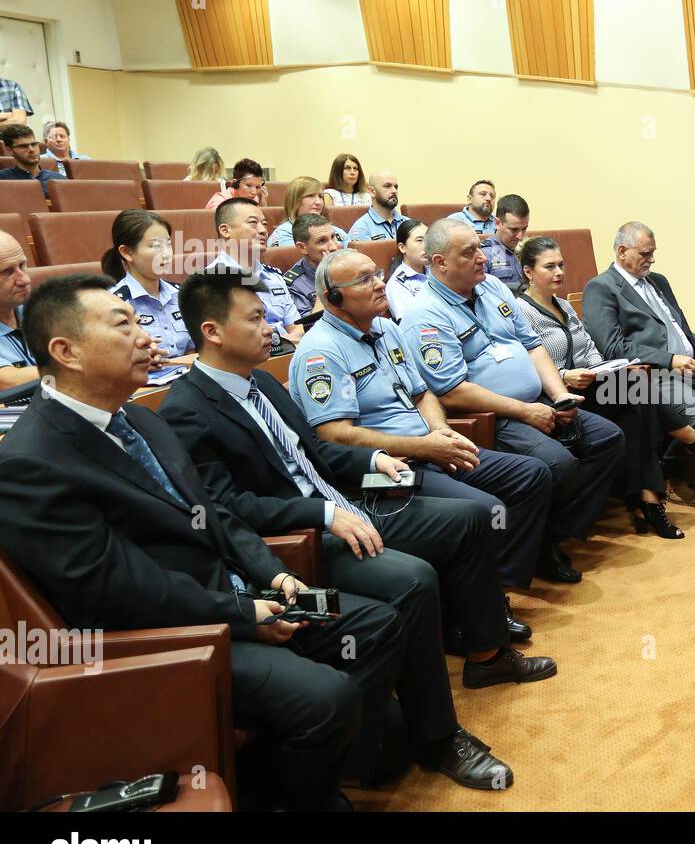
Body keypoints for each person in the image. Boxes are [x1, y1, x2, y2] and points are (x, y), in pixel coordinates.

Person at [0, 274, 409, 811]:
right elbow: (115, 589)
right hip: (185, 631)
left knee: (374, 625)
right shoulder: (31, 461)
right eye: (123, 326)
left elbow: (213, 513)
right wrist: (245, 613)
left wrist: (274, 574)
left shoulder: (140, 419)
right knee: (326, 698)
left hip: (247, 595)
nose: (148, 338)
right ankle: (300, 796)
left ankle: (291, 776)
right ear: (66, 351)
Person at [162, 269, 553, 711]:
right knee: (414, 578)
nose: (270, 326)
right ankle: (438, 732)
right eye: (254, 319)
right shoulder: (186, 410)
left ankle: (487, 655)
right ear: (212, 332)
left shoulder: (263, 382)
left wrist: (373, 461)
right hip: (304, 537)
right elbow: (228, 507)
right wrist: (324, 515)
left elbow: (318, 453)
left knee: (470, 517)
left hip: (350, 492)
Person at [289, 248, 565, 601]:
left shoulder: (386, 327)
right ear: (333, 297)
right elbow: (334, 435)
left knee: (531, 475)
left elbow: (422, 394)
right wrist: (425, 447)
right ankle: (483, 603)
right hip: (388, 469)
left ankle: (497, 584)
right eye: (365, 279)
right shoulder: (322, 351)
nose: (379, 284)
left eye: (377, 274)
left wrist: (439, 431)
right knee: (483, 509)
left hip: (432, 446)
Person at [399, 220, 626, 569]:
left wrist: (559, 394)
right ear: (440, 262)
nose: (482, 258)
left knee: (608, 438)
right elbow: (452, 391)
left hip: (538, 399)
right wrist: (524, 411)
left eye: (480, 247)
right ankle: (541, 546)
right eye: (469, 252)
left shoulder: (492, 288)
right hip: (494, 416)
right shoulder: (424, 314)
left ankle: (554, 531)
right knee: (557, 463)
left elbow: (533, 346)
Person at [514, 236, 695, 539]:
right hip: (558, 395)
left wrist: (603, 368)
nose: (559, 272)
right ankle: (682, 449)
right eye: (549, 266)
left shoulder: (563, 306)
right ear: (528, 272)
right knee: (638, 394)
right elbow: (529, 359)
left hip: (592, 385)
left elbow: (590, 348)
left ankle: (646, 502)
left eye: (561, 265)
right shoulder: (521, 311)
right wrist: (565, 374)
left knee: (636, 395)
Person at [584, 221, 695, 434]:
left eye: (653, 252)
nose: (652, 259)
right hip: (657, 377)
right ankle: (684, 463)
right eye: (645, 254)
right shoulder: (601, 288)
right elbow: (613, 349)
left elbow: (679, 329)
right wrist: (670, 360)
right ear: (622, 251)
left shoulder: (658, 281)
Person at [101, 209, 195, 361]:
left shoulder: (183, 294)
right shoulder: (112, 303)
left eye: (169, 244)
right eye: (156, 246)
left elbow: (195, 349)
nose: (166, 253)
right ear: (127, 253)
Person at [208, 197, 304, 345]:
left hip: (286, 354)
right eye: (253, 223)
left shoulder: (274, 277)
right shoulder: (210, 282)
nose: (263, 230)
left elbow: (296, 327)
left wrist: (279, 346)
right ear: (225, 230)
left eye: (264, 224)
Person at [0, 229, 38, 389]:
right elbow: (6, 380)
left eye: (22, 265)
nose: (24, 280)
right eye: (6, 272)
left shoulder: (39, 311)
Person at [283, 212, 340, 315]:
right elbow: (309, 326)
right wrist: (324, 279)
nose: (333, 247)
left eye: (333, 237)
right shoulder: (293, 285)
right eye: (322, 241)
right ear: (302, 248)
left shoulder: (349, 266)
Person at [267, 176, 348, 248]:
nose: (318, 202)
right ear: (295, 200)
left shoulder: (336, 231)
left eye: (320, 196)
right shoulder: (283, 233)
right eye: (311, 196)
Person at [0, 124, 67, 197]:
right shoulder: (2, 179)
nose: (32, 150)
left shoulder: (59, 179)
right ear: (9, 150)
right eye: (23, 146)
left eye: (34, 144)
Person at [480, 193, 529, 292]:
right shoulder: (483, 254)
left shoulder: (530, 250)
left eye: (524, 229)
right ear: (497, 223)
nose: (520, 236)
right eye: (514, 230)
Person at [386, 219, 430, 322]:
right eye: (419, 240)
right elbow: (410, 324)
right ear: (402, 247)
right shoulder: (397, 284)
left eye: (428, 240)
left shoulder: (436, 272)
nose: (427, 246)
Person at [348, 170, 407, 241]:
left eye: (396, 187)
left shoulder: (407, 223)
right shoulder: (362, 228)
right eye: (387, 186)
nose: (394, 191)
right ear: (372, 192)